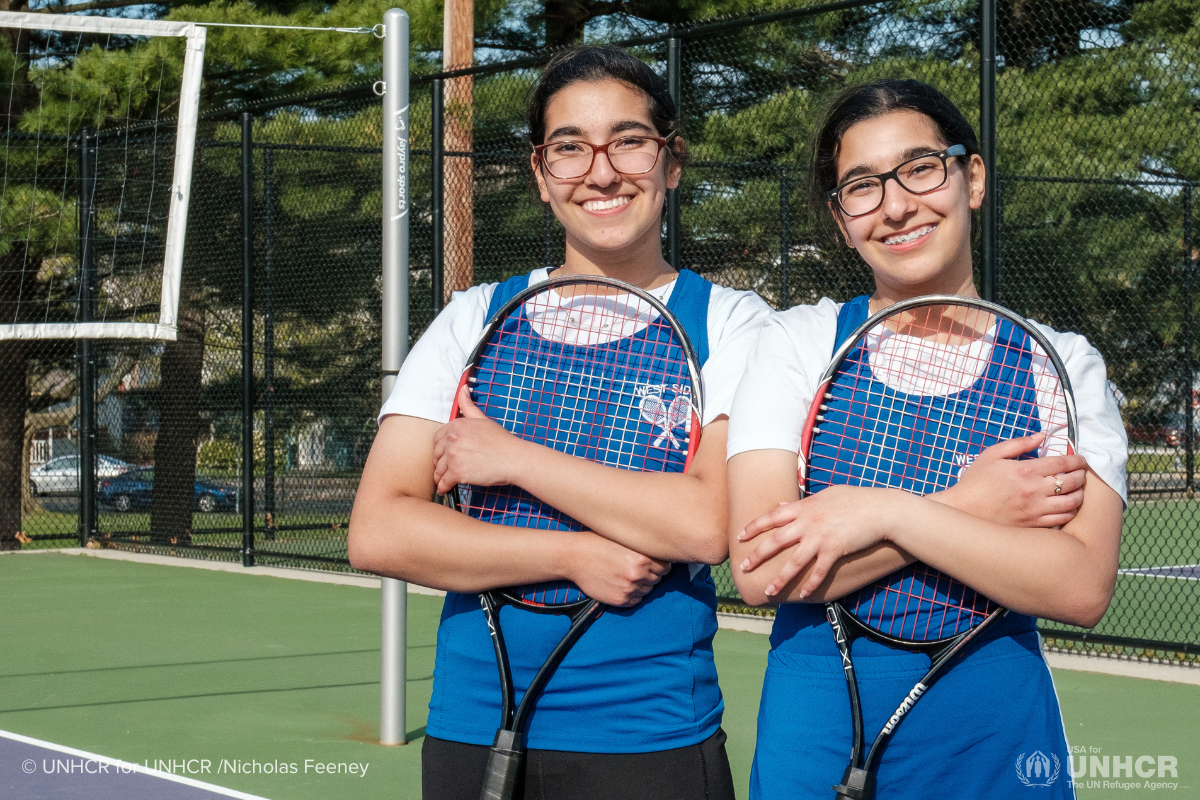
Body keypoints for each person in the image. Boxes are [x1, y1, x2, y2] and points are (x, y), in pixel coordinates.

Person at [348, 45, 770, 800]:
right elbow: (380, 530)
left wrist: (512, 458)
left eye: (629, 141)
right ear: (542, 176)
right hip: (470, 726)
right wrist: (573, 553)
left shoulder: (733, 322)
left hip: (651, 736)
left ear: (671, 163)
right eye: (570, 148)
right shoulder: (474, 318)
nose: (601, 171)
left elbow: (706, 524)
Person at [725, 78, 1127, 799]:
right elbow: (763, 570)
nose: (896, 204)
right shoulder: (798, 342)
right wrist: (969, 505)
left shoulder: (1061, 363)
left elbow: (1080, 584)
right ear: (841, 218)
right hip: (812, 737)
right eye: (861, 186)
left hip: (996, 746)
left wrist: (886, 512)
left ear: (971, 177)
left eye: (920, 168)